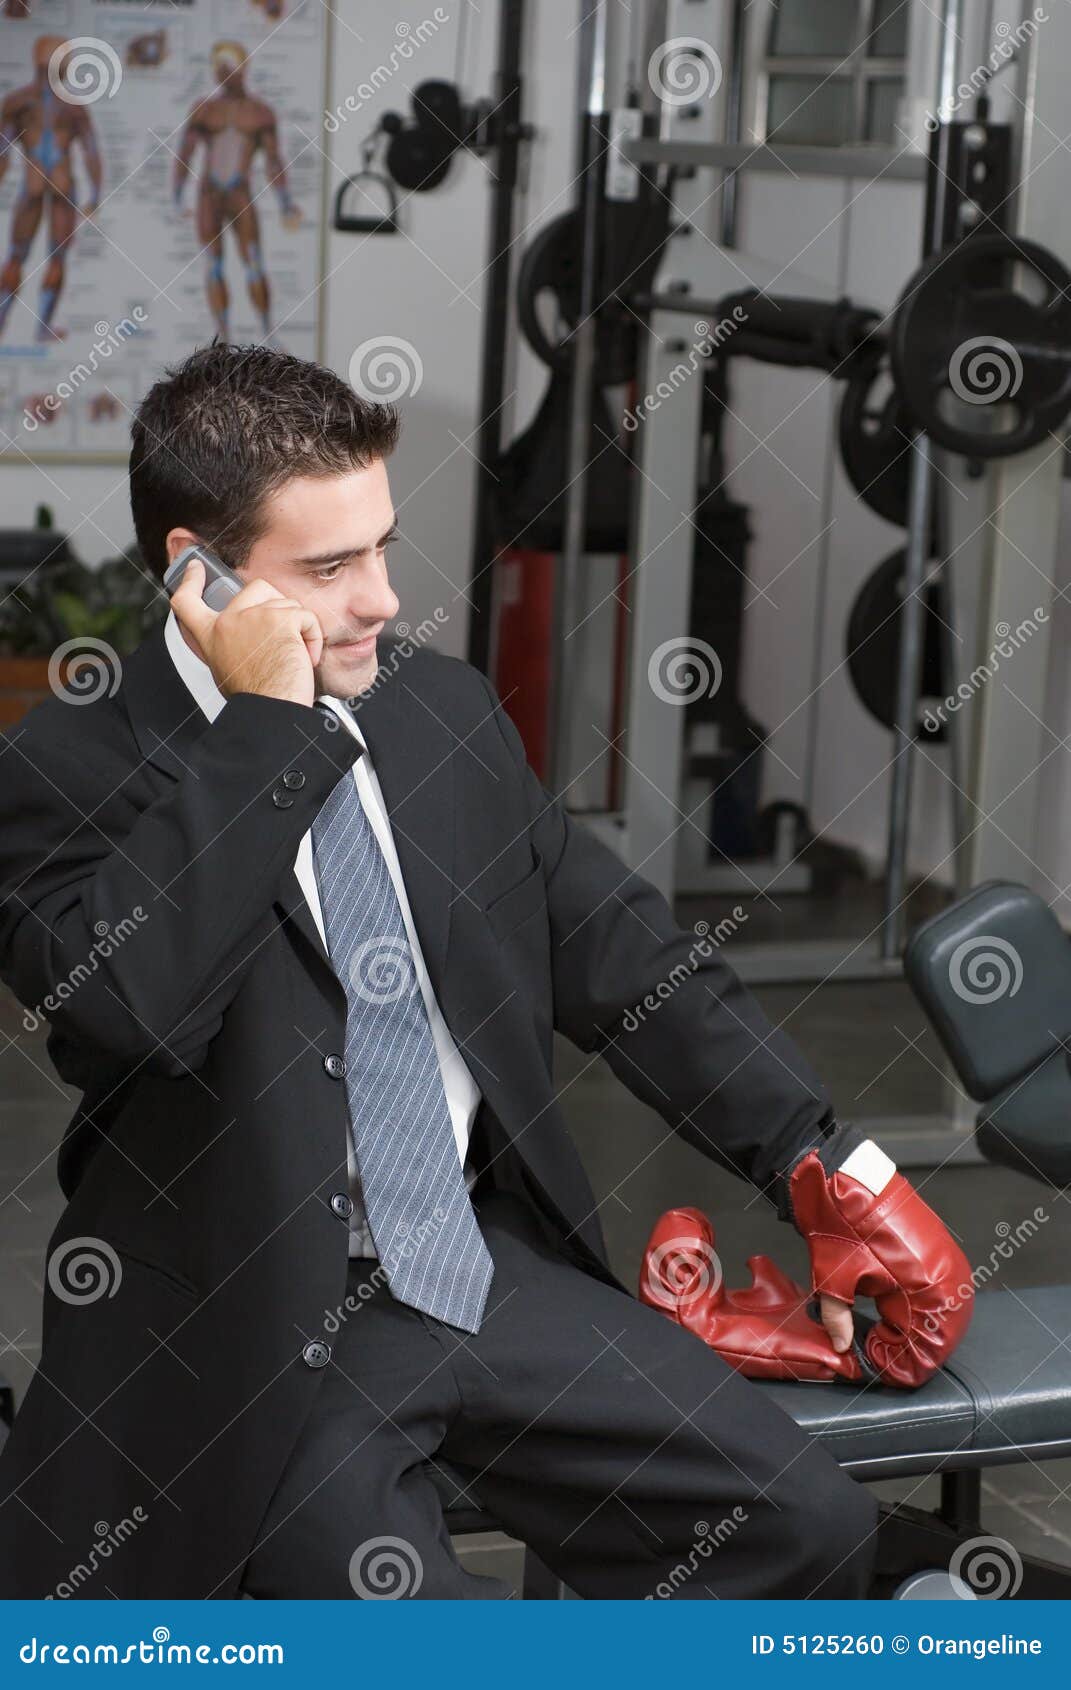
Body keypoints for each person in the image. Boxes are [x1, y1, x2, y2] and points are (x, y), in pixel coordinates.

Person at [0, 341, 959, 1599]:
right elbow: (135, 1013)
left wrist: (820, 1157)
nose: (382, 600)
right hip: (258, 1318)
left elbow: (623, 953)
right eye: (330, 567)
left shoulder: (438, 712)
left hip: (478, 1262)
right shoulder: (63, 772)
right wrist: (268, 732)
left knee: (809, 1528)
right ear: (200, 573)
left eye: (382, 548)